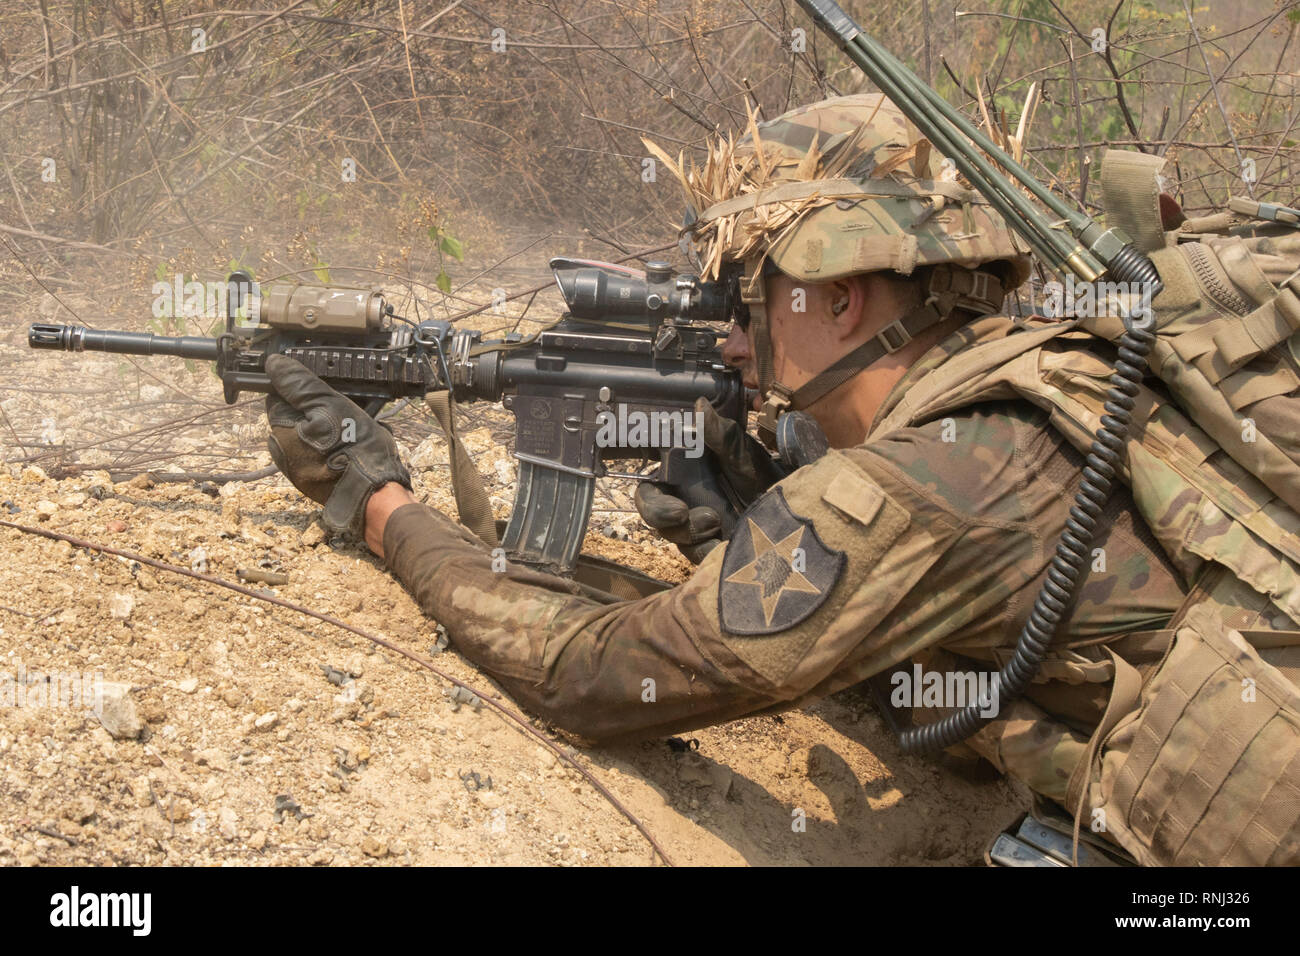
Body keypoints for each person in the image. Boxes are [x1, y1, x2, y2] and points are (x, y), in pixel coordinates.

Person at [262, 94, 1300, 865]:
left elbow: (591, 676)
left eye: (744, 288)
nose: (726, 325)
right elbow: (959, 662)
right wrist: (741, 527)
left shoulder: (917, 485)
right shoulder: (1058, 362)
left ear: (843, 299)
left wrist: (382, 498)